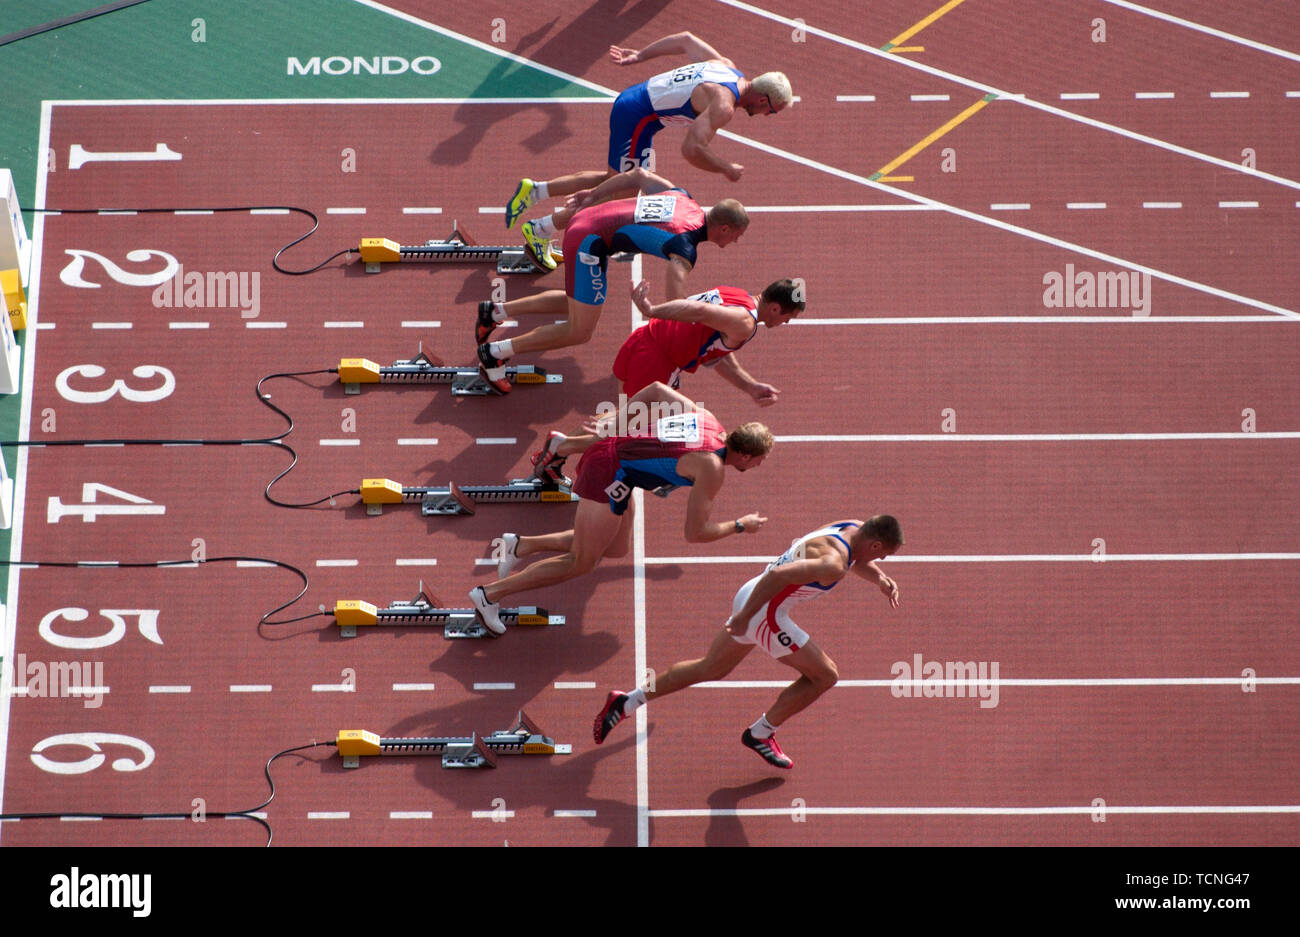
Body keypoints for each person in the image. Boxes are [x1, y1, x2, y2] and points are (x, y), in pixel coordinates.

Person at [592, 515, 905, 768]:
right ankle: (761, 733)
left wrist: (879, 578)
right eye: (884, 554)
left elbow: (858, 560)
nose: (882, 558)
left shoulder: (850, 526)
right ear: (875, 543)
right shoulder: (833, 563)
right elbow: (778, 578)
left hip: (751, 595)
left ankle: (627, 700)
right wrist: (746, 618)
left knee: (710, 668)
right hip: (764, 610)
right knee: (825, 676)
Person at [468, 382, 772, 634]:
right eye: (761, 460)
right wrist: (740, 525)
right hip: (608, 471)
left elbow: (655, 390)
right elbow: (695, 533)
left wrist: (618, 419)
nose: (760, 466)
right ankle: (489, 595)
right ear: (745, 456)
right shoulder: (712, 469)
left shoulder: (708, 418)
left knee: (615, 548)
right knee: (582, 562)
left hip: (620, 469)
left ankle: (519, 546)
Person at [503, 31, 793, 251]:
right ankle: (540, 229)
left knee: (611, 178)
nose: (767, 115)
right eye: (772, 110)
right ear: (763, 98)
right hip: (638, 119)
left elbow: (685, 39)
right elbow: (691, 150)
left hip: (636, 101)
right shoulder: (724, 105)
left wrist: (640, 55)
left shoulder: (727, 67)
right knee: (618, 194)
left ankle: (536, 191)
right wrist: (725, 168)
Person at [476, 167, 748, 394]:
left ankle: (496, 312)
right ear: (724, 228)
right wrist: (708, 320)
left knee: (580, 303)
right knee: (580, 331)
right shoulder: (685, 248)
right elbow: (676, 305)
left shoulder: (684, 198)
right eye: (737, 235)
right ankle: (495, 352)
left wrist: (592, 194)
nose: (736, 242)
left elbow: (640, 174)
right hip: (589, 243)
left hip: (587, 218)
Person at [615, 277, 803, 404]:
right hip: (656, 364)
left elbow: (714, 351)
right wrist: (652, 310)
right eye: (789, 317)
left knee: (618, 415)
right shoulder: (744, 322)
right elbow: (700, 311)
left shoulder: (736, 295)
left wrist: (749, 386)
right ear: (776, 309)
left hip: (643, 338)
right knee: (626, 429)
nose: (786, 322)